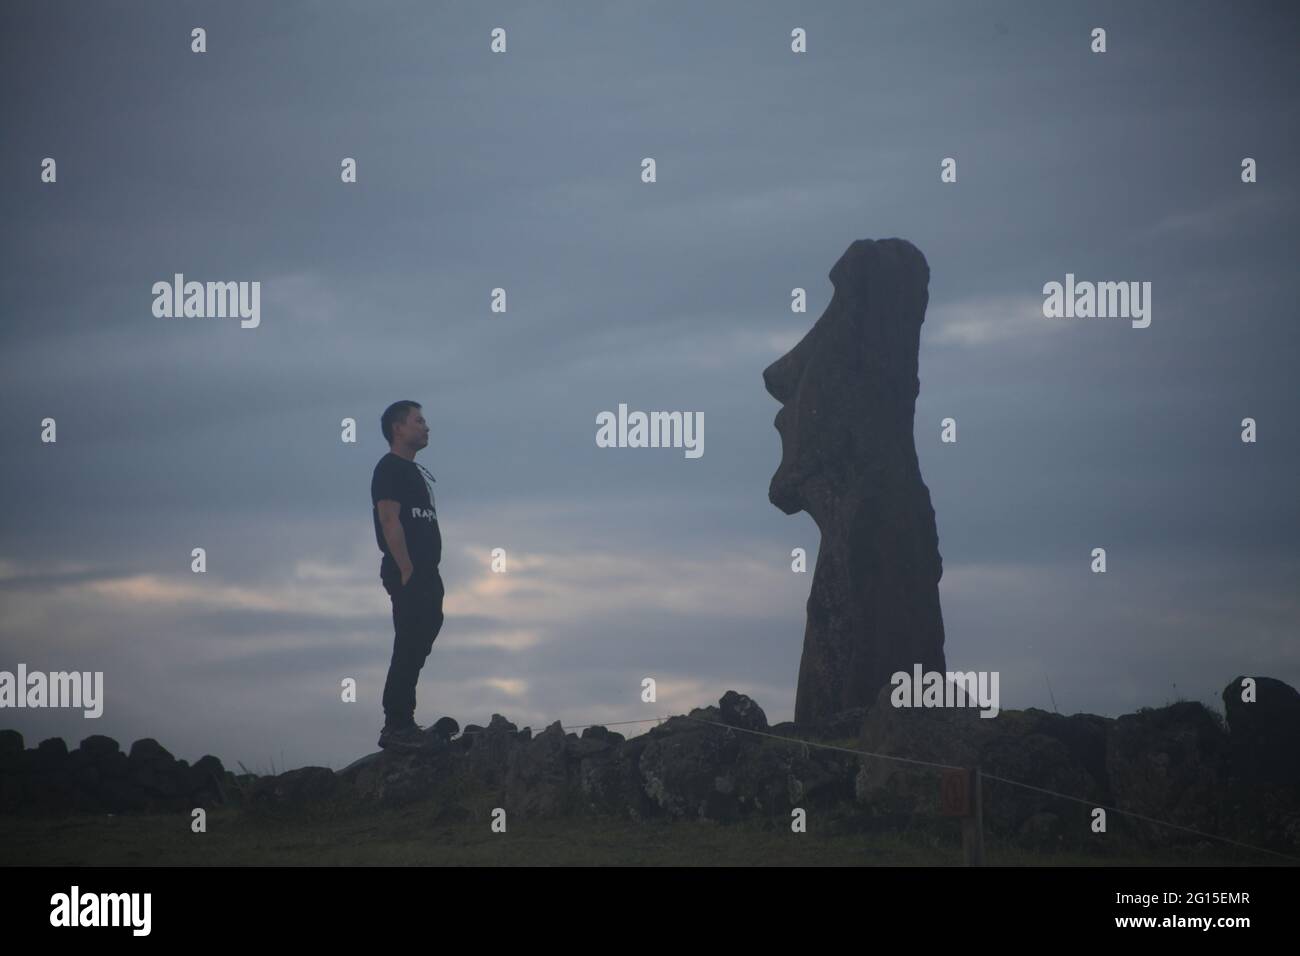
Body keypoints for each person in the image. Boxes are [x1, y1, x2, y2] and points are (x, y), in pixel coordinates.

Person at [370, 400, 445, 750]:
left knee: (421, 637)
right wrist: (406, 568)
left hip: (428, 573)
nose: (426, 426)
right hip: (409, 573)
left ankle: (404, 721)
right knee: (409, 642)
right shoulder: (390, 468)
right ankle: (397, 725)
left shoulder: (414, 471)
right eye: (419, 420)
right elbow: (389, 519)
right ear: (398, 428)